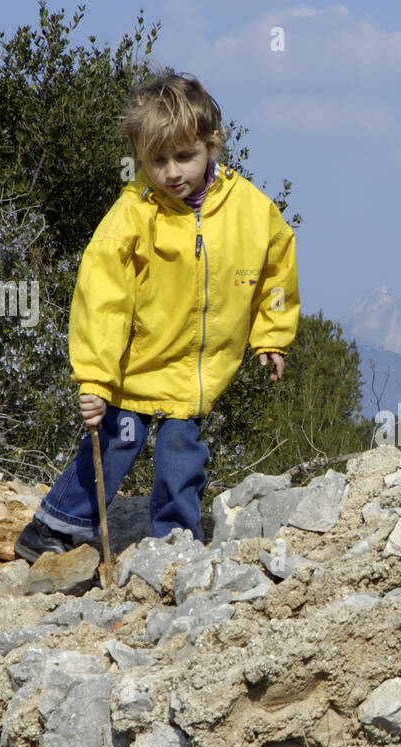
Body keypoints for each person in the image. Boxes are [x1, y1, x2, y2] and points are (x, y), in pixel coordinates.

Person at [15, 72, 300, 564]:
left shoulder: (251, 211)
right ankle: (56, 524)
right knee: (115, 443)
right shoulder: (132, 216)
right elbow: (101, 301)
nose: (171, 172)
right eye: (157, 160)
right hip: (136, 367)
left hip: (194, 377)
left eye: (183, 156)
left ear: (213, 143)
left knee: (180, 456)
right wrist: (95, 379)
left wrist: (271, 336)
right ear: (139, 155)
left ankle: (174, 545)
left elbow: (276, 269)